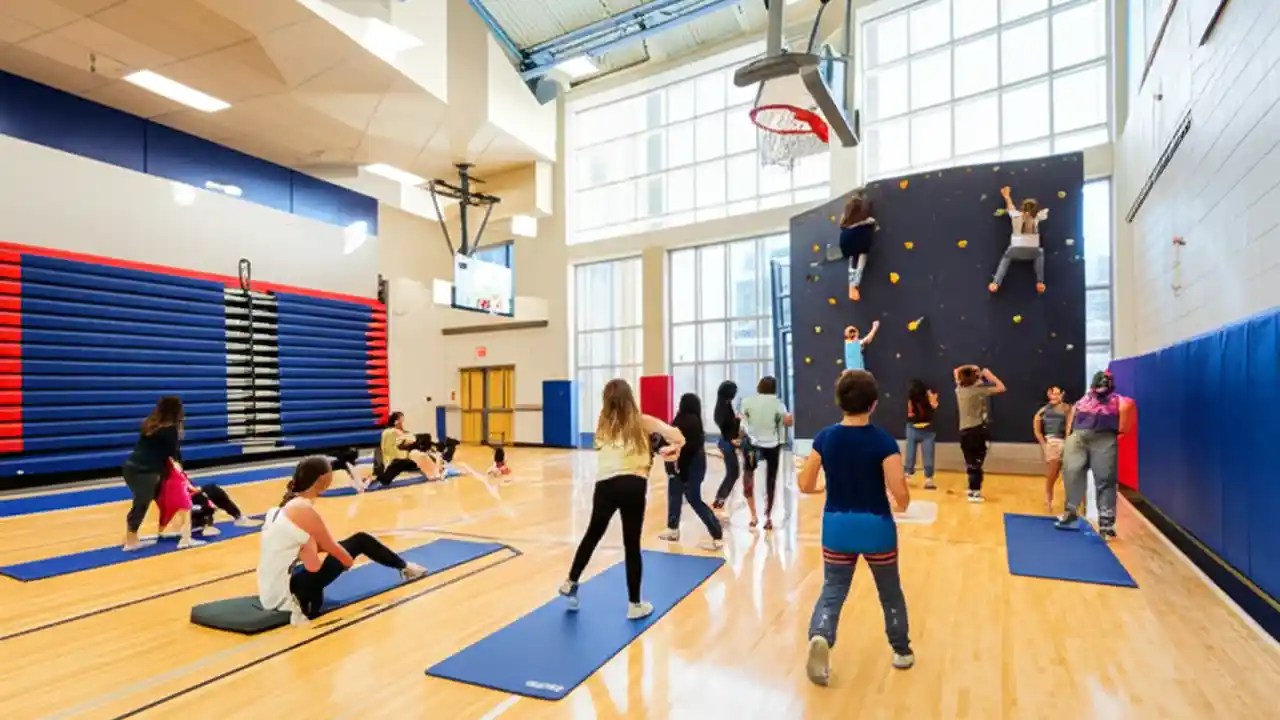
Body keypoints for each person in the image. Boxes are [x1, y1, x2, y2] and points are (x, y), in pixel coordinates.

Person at [797, 370, 914, 685]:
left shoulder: (824, 437)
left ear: (839, 402)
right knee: (889, 592)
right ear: (873, 405)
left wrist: (821, 486)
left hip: (836, 527)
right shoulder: (883, 441)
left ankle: (821, 636)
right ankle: (901, 651)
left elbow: (805, 485)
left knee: (833, 590)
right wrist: (904, 499)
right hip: (876, 527)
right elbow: (900, 495)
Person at [559, 379, 684, 619]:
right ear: (630, 398)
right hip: (633, 484)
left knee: (592, 534)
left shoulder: (602, 427)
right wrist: (677, 445)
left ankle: (570, 581)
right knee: (631, 545)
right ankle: (634, 604)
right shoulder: (643, 421)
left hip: (604, 485)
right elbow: (675, 434)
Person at [257, 456, 427, 625]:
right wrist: (346, 561)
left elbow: (309, 549)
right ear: (323, 480)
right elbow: (339, 554)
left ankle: (405, 567)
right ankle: (406, 568)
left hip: (270, 590)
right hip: (287, 594)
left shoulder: (279, 509)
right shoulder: (304, 510)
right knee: (360, 541)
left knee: (330, 555)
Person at [1055, 371, 1133, 538]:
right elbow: (1071, 422)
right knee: (1072, 473)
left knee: (1105, 478)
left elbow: (1123, 428)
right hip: (1078, 437)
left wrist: (1109, 439)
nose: (1102, 386)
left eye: (1106, 382)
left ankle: (1106, 523)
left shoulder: (1121, 403)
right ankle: (1071, 513)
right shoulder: (1082, 401)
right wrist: (1068, 440)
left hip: (1104, 438)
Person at [658, 393, 724, 550]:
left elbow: (683, 445)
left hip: (688, 465)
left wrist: (672, 455)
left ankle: (716, 533)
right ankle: (673, 529)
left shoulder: (684, 421)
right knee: (674, 494)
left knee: (693, 498)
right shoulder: (692, 420)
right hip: (689, 464)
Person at [121, 396, 185, 551]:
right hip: (145, 471)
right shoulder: (169, 430)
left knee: (161, 498)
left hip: (131, 467)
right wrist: (182, 474)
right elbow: (174, 455)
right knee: (142, 502)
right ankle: (130, 539)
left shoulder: (151, 424)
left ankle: (165, 528)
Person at [741, 376, 793, 530]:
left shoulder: (747, 401)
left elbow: (742, 423)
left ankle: (753, 516)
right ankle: (768, 517)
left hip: (752, 444)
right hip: (772, 445)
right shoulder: (778, 403)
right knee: (771, 480)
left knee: (748, 476)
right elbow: (788, 421)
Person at [953, 364, 1006, 502]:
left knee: (970, 461)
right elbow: (1001, 387)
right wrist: (989, 375)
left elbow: (956, 371)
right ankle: (975, 492)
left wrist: (972, 368)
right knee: (977, 463)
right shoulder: (979, 391)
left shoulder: (959, 390)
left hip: (963, 431)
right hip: (976, 431)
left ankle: (972, 488)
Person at [989, 185, 1048, 294]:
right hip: (1033, 251)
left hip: (1015, 250)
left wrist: (1006, 195)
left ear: (1022, 208)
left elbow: (1010, 206)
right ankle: (1040, 282)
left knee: (1006, 258)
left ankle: (996, 283)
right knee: (1040, 253)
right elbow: (1045, 213)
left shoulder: (1016, 215)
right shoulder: (1037, 217)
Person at [710, 381, 752, 524]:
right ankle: (719, 500)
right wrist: (737, 423)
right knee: (733, 472)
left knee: (733, 472)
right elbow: (727, 428)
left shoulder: (725, 405)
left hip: (728, 442)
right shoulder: (723, 409)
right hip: (727, 443)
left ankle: (720, 499)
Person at [373, 412, 441, 487]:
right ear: (396, 421)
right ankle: (383, 479)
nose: (403, 423)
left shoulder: (401, 432)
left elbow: (410, 441)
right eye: (401, 420)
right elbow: (394, 448)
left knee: (424, 456)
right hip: (397, 459)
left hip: (409, 458)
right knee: (399, 462)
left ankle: (434, 467)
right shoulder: (390, 432)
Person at [1033, 386, 1072, 512]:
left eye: (1057, 394)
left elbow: (1068, 427)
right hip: (1052, 442)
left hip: (1065, 442)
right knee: (1053, 473)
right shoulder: (1043, 411)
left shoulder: (1067, 408)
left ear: (1062, 394)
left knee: (1069, 474)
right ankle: (1048, 497)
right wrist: (1044, 445)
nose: (1055, 396)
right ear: (1048, 395)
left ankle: (1070, 502)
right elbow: (1037, 429)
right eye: (1052, 394)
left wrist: (1068, 442)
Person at [838, 190, 879, 301]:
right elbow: (862, 223)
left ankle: (852, 282)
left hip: (845, 240)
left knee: (853, 256)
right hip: (856, 238)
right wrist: (866, 222)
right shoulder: (860, 208)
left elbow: (844, 225)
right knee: (862, 254)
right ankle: (855, 281)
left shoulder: (848, 210)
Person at [903, 379, 940, 490]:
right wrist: (932, 398)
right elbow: (933, 406)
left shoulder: (919, 398)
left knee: (919, 454)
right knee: (916, 454)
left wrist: (931, 398)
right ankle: (913, 476)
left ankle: (923, 478)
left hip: (921, 429)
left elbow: (933, 406)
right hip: (918, 428)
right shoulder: (914, 400)